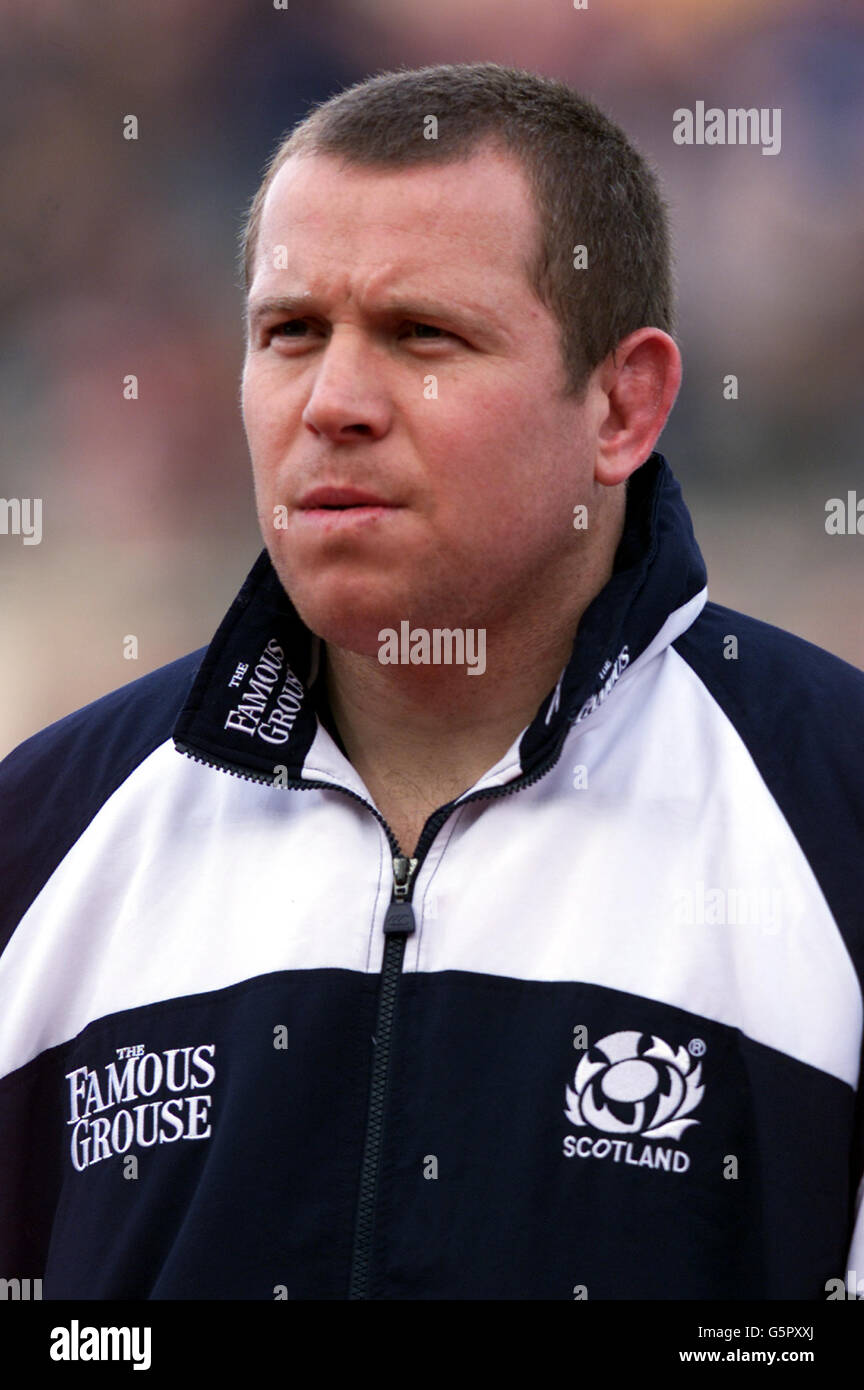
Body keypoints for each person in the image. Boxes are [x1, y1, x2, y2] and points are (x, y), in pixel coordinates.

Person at [1, 61, 862, 1302]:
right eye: (291, 332)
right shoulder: (44, 834)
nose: (333, 403)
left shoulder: (833, 817)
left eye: (423, 336)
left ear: (625, 405)